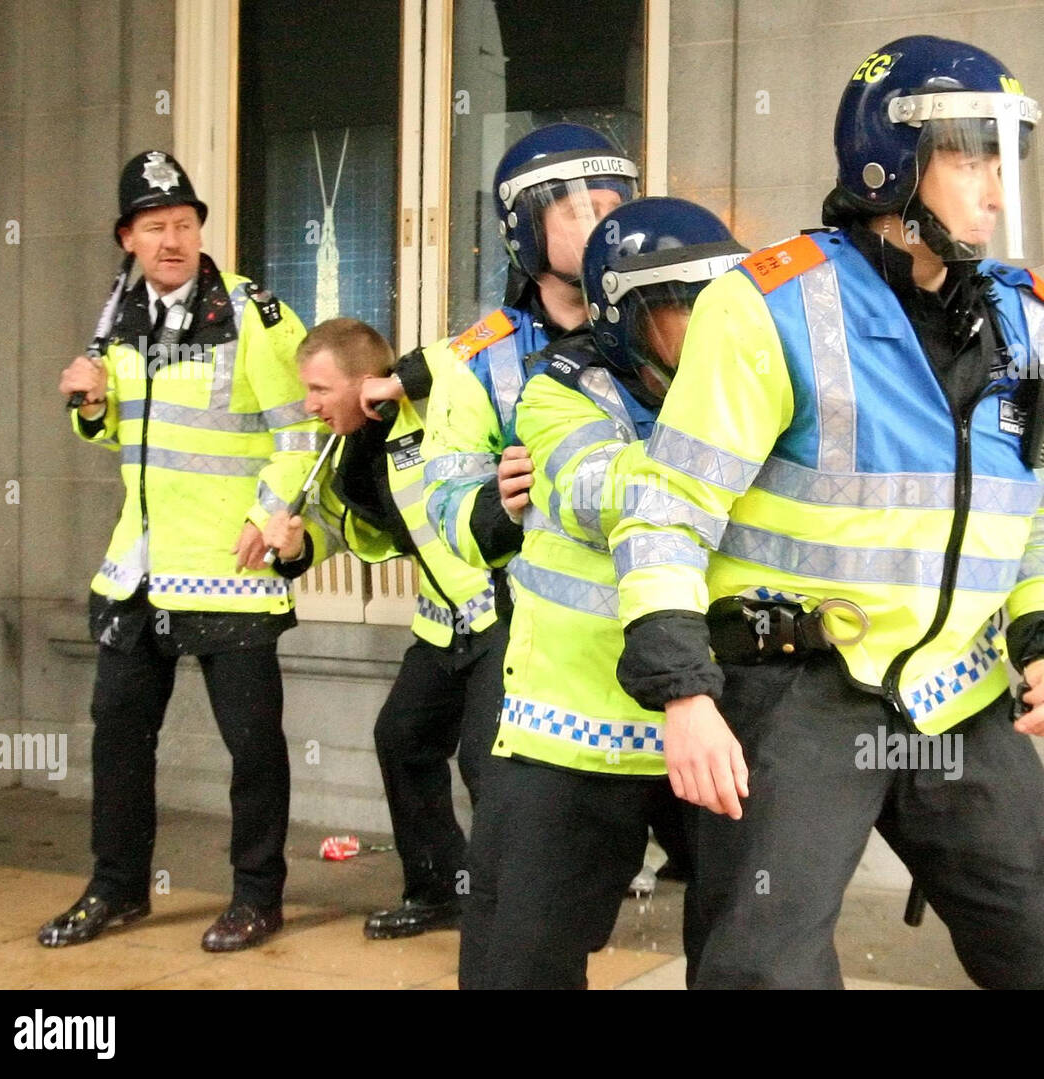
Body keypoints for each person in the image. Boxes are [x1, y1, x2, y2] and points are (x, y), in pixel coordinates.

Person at [607, 36, 1044, 989]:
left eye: (1007, 157)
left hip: (959, 694)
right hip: (798, 692)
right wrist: (683, 690)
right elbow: (666, 512)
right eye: (972, 157)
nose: (998, 188)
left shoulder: (1037, 328)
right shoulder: (768, 305)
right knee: (761, 973)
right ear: (891, 164)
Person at [459, 198, 746, 989]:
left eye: (721, 302)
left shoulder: (750, 386)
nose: (710, 328)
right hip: (575, 725)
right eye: (683, 309)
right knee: (518, 963)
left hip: (714, 714)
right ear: (624, 315)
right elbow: (604, 492)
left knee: (750, 954)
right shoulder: (558, 389)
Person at [47, 150, 324, 951]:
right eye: (156, 226)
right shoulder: (120, 318)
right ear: (127, 237)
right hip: (137, 568)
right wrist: (91, 406)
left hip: (230, 573)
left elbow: (301, 428)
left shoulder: (254, 317)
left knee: (252, 743)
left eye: (186, 223)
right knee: (118, 734)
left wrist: (273, 512)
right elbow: (123, 440)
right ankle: (117, 886)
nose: (174, 239)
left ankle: (257, 894)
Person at [262, 318, 506, 940]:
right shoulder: (345, 452)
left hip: (502, 611)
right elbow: (346, 535)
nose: (310, 405)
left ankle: (508, 912)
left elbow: (478, 341)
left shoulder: (434, 410)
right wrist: (293, 550)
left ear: (366, 382)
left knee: (488, 764)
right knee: (402, 739)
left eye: (320, 389)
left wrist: (405, 382)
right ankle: (438, 887)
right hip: (444, 623)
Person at [421, 122, 637, 575]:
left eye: (614, 210)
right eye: (580, 211)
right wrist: (501, 505)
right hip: (551, 622)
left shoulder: (668, 327)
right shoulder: (477, 359)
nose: (606, 229)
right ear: (527, 232)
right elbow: (447, 505)